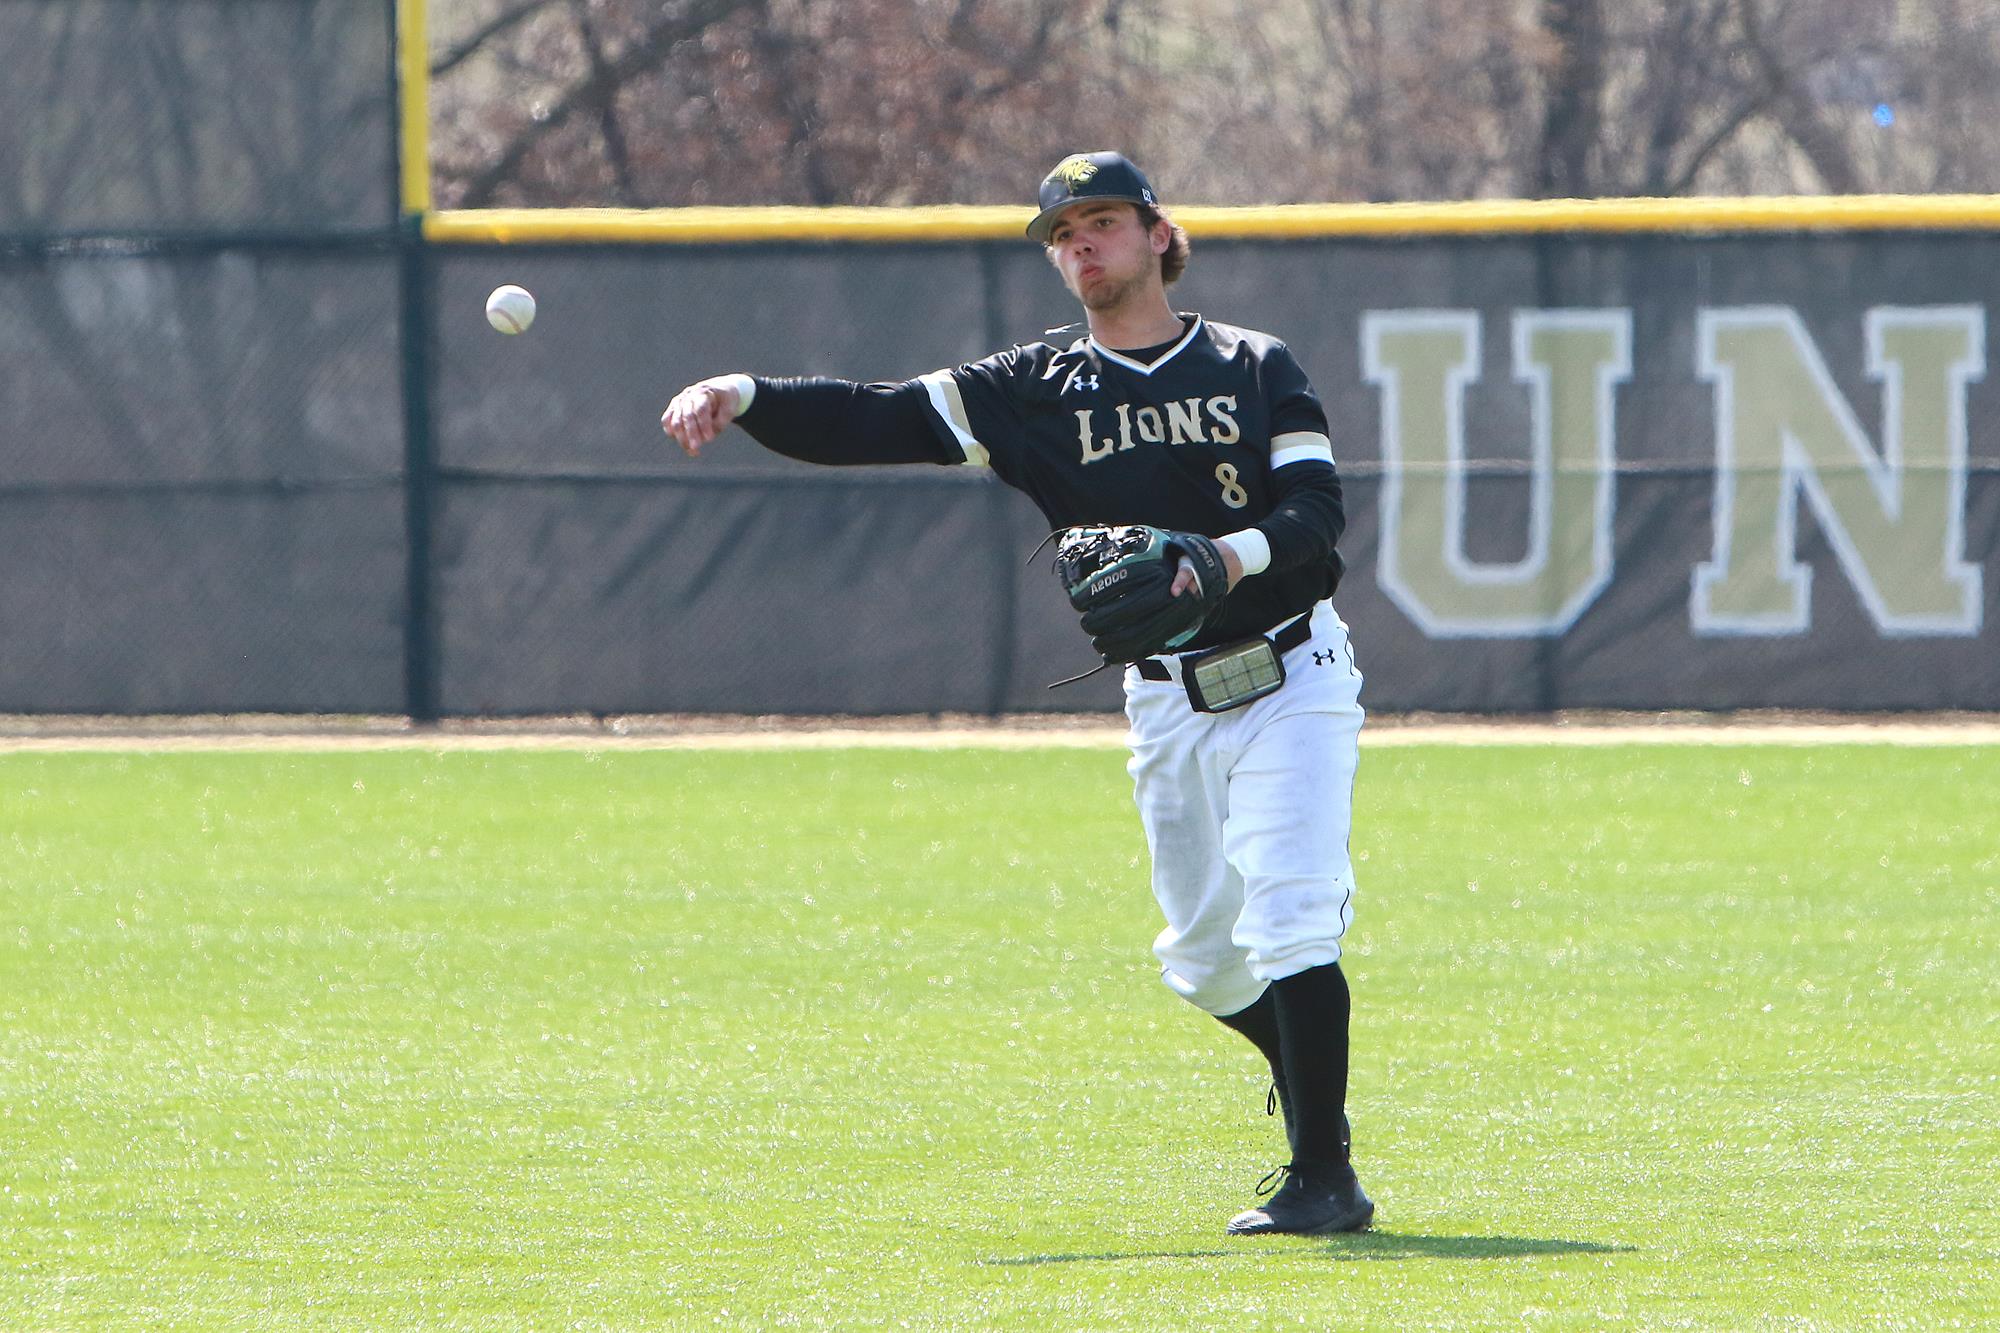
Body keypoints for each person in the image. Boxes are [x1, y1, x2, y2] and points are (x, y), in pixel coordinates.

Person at [660, 151, 1372, 1236]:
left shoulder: (1250, 364)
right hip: (1168, 698)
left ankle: (1323, 1176)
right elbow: (878, 418)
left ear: (1155, 233)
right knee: (1200, 960)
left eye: (1098, 222)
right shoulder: (1032, 389)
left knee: (1288, 913)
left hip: (1290, 673)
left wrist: (1219, 561)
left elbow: (1316, 517)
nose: (1078, 246)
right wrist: (744, 394)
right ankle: (1311, 1081)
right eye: (1060, 235)